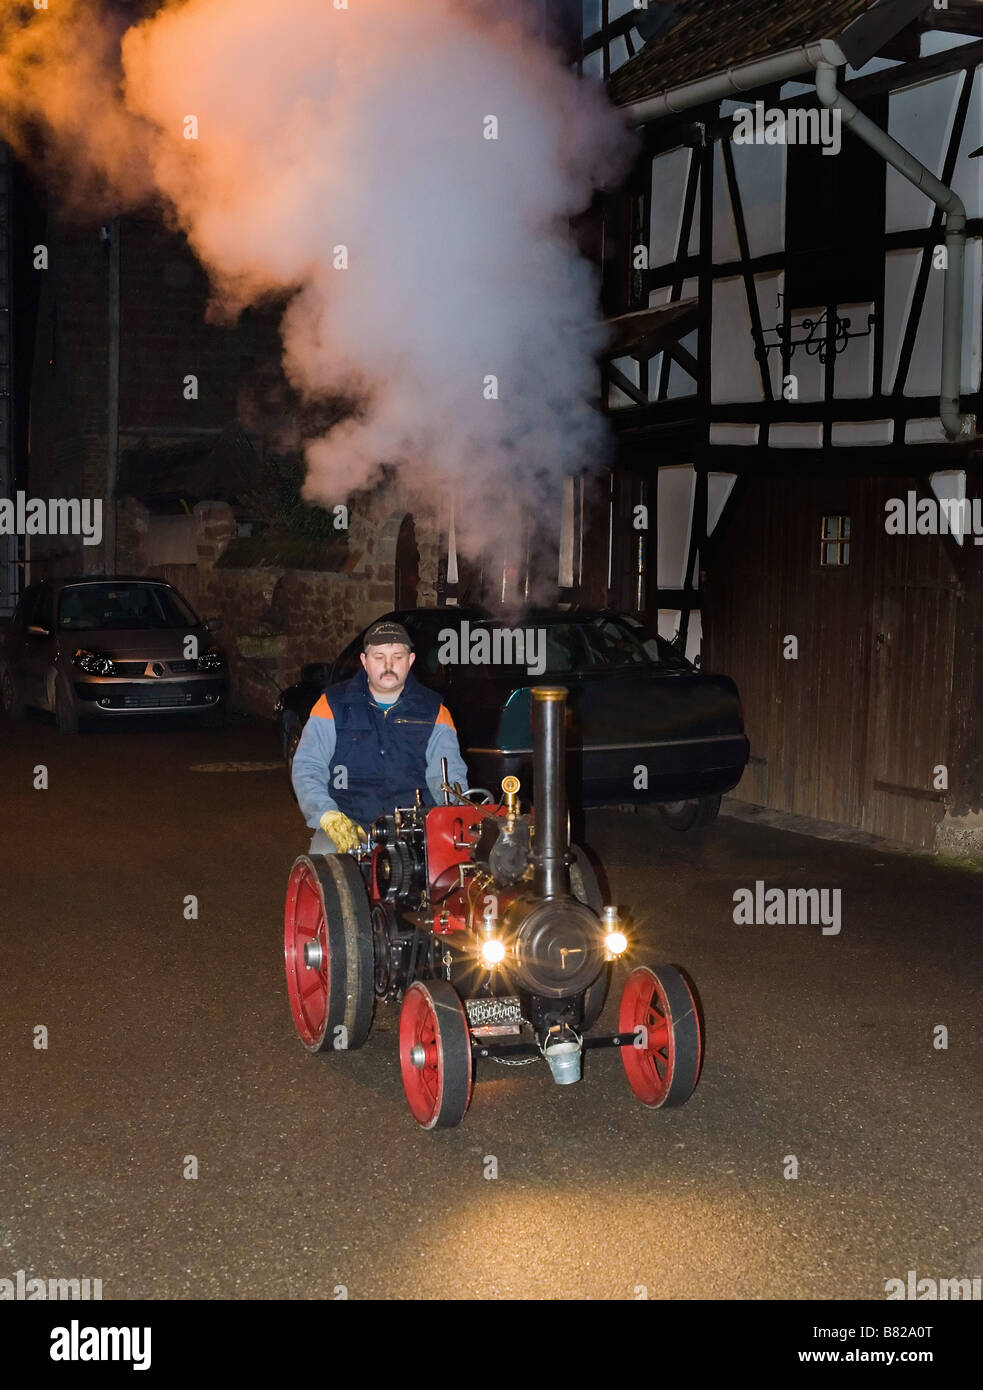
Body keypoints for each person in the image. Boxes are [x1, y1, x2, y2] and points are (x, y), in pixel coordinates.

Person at [292, 619, 470, 854]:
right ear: (364, 662)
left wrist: (456, 817)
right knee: (326, 866)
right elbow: (308, 767)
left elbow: (448, 777)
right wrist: (326, 814)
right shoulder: (331, 705)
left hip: (416, 830)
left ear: (410, 661)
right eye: (379, 657)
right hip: (349, 823)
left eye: (397, 656)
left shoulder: (435, 712)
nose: (389, 665)